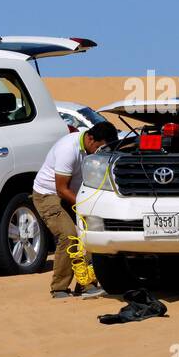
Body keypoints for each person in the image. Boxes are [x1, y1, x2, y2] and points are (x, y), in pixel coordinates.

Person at [32, 120, 119, 298]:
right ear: (90, 139)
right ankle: (59, 288)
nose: (101, 152)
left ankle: (86, 284)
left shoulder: (95, 148)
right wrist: (86, 207)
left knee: (88, 234)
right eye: (100, 148)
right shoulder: (68, 149)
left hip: (75, 195)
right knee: (69, 235)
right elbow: (61, 189)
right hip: (49, 195)